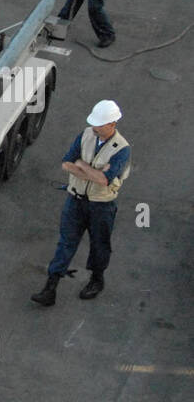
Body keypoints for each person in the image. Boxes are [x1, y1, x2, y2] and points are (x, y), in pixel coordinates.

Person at [31, 100, 131, 306]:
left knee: (99, 244)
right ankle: (50, 288)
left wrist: (81, 165)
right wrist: (90, 171)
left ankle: (96, 280)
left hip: (101, 206)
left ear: (112, 124)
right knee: (66, 242)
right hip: (75, 200)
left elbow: (105, 180)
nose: (95, 128)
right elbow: (66, 163)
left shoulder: (122, 149)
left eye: (100, 124)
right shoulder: (86, 134)